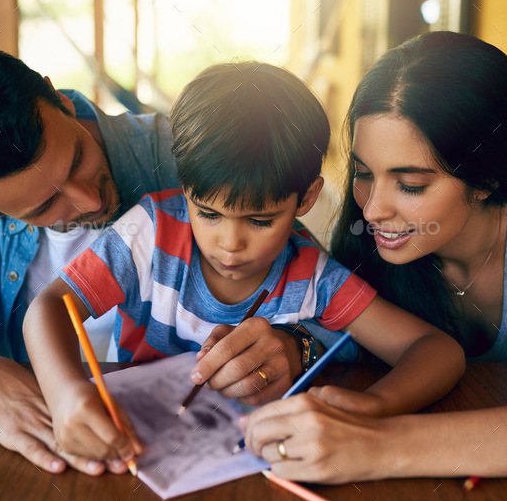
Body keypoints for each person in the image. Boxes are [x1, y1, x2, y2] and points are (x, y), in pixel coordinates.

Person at [23, 61, 464, 471]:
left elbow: (436, 351)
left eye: (260, 220)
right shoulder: (150, 235)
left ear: (307, 198)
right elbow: (48, 308)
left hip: (260, 469)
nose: (229, 245)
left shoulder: (311, 277)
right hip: (135, 456)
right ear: (185, 184)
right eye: (208, 214)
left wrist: (373, 407)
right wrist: (64, 396)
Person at [0, 49, 303, 476]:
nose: (90, 201)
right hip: (52, 462)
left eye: (78, 158)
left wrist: (296, 344)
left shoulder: (186, 153)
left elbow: (319, 276)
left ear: (62, 102)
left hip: (204, 444)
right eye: (45, 205)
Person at [242, 31, 507, 481]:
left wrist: (381, 447)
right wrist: (291, 348)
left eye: (411, 185)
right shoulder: (370, 249)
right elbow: (334, 336)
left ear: (487, 180)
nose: (372, 209)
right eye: (363, 173)